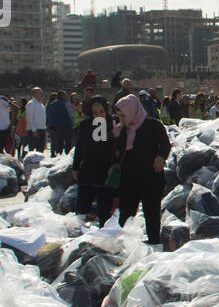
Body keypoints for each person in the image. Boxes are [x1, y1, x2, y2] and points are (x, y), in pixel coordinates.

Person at [113, 95, 171, 247]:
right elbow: (116, 152)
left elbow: (165, 144)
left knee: (151, 214)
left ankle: (153, 244)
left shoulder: (153, 126)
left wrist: (160, 157)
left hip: (150, 179)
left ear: (132, 111)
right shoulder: (120, 131)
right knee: (126, 214)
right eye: (119, 116)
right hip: (129, 180)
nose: (122, 120)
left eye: (123, 116)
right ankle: (125, 246)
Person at [72, 97, 117, 226]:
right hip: (88, 170)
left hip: (104, 172)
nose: (99, 115)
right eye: (95, 112)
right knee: (83, 208)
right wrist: (75, 167)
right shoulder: (86, 125)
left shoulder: (112, 124)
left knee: (104, 209)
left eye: (101, 111)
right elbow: (79, 147)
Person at [47, 91, 73, 156]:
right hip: (66, 125)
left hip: (56, 126)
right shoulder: (66, 103)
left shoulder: (52, 104)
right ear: (62, 96)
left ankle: (59, 154)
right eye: (65, 95)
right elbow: (71, 115)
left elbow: (51, 115)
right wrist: (72, 123)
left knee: (58, 142)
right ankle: (67, 155)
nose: (66, 97)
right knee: (68, 142)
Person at [25, 87, 47, 152]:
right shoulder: (31, 104)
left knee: (40, 148)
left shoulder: (41, 104)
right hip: (34, 130)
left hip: (42, 128)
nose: (41, 94)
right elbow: (29, 117)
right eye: (40, 92)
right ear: (35, 93)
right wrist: (33, 129)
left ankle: (38, 161)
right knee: (32, 148)